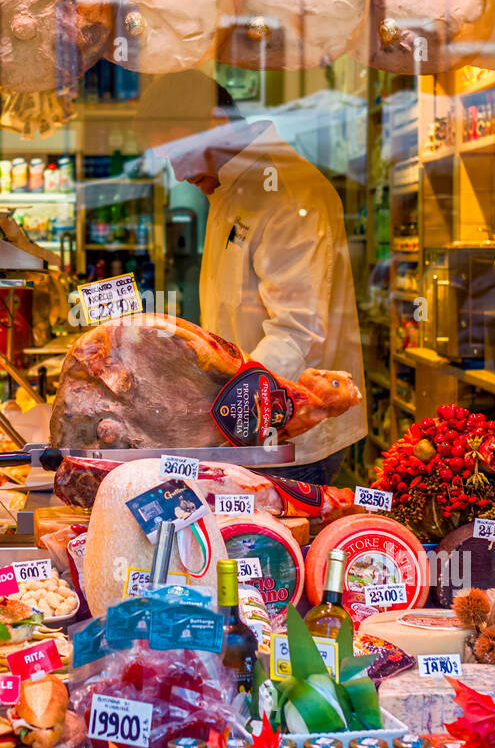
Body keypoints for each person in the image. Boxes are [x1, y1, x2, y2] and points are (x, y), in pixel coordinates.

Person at [133, 71, 366, 486]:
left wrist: (212, 414)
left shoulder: (286, 191)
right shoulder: (230, 186)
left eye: (175, 151)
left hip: (289, 444)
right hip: (248, 430)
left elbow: (295, 333)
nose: (178, 174)